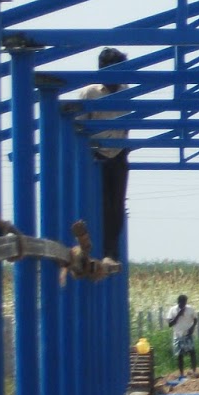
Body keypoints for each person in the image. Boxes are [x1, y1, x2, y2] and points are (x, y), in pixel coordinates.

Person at [75, 47, 129, 260]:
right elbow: (78, 126)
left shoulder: (126, 91)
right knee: (101, 203)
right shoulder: (89, 93)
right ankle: (96, 247)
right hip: (96, 156)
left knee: (117, 203)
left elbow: (128, 123)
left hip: (119, 153)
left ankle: (111, 249)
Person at [165, 293, 199, 377]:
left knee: (192, 352)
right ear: (178, 302)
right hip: (178, 335)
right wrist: (178, 315)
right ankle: (181, 373)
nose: (183, 305)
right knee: (180, 355)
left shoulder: (190, 309)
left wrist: (192, 328)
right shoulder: (173, 310)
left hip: (188, 334)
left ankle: (194, 371)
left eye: (185, 303)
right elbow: (170, 324)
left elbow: (195, 319)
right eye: (182, 303)